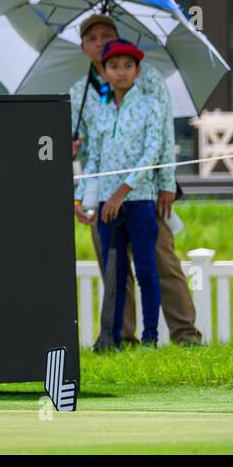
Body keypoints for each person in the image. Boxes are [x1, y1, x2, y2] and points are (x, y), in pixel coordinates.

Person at [69, 13, 200, 347]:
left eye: (106, 35)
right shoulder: (79, 91)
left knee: (161, 262)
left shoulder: (148, 79)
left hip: (145, 190)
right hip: (102, 195)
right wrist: (81, 189)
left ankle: (185, 334)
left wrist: (167, 182)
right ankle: (119, 337)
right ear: (83, 47)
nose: (100, 43)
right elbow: (86, 150)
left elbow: (161, 134)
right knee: (113, 268)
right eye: (92, 38)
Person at [80, 39, 164, 347]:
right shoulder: (102, 112)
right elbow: (94, 159)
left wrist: (121, 192)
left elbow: (151, 154)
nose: (121, 73)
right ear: (103, 71)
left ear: (138, 71)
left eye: (128, 66)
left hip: (139, 201)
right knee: (114, 275)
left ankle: (150, 337)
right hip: (106, 206)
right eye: (114, 66)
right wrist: (83, 199)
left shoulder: (150, 107)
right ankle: (111, 339)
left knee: (145, 270)